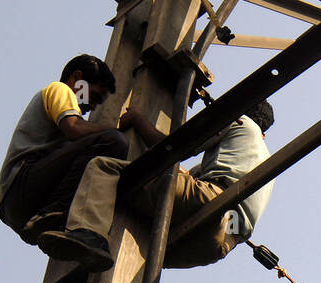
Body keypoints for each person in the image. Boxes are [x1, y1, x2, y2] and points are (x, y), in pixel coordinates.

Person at [37, 101, 276, 271]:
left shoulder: (240, 120)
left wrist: (139, 120)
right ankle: (97, 253)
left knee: (106, 169)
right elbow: (189, 177)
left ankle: (88, 235)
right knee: (141, 258)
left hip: (210, 204)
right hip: (215, 246)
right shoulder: (262, 158)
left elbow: (178, 148)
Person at [0, 54, 162, 271]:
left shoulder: (68, 120)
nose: (92, 106)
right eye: (93, 95)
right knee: (112, 142)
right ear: (77, 79)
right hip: (23, 185)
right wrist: (118, 129)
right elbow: (74, 128)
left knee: (103, 160)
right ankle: (53, 214)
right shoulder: (60, 90)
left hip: (19, 208)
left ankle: (56, 220)